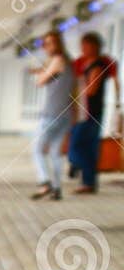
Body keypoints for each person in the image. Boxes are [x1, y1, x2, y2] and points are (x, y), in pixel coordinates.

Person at [66, 31, 116, 194]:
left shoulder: (99, 65)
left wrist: (77, 86)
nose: (84, 49)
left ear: (96, 47)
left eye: (87, 46)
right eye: (83, 46)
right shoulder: (83, 64)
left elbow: (91, 90)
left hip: (91, 114)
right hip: (81, 112)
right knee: (86, 148)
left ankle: (82, 171)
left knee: (76, 149)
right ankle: (88, 182)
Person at [29, 30, 75, 201]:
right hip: (65, 114)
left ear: (57, 44)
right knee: (55, 152)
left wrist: (40, 72)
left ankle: (44, 182)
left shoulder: (57, 60)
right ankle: (57, 188)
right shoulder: (68, 62)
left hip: (52, 114)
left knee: (38, 150)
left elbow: (40, 82)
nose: (46, 47)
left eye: (49, 43)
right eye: (45, 44)